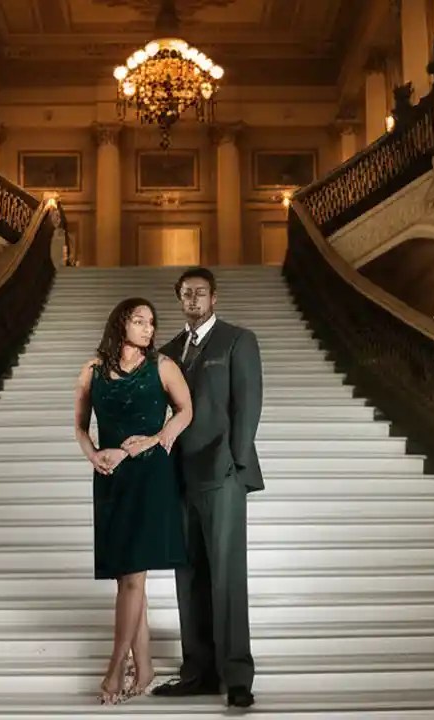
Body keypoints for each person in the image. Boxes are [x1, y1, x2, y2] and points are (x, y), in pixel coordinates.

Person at [148, 267, 264, 709]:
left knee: (228, 576)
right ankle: (198, 670)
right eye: (185, 293)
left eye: (200, 292)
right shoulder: (169, 351)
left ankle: (237, 677)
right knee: (189, 575)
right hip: (179, 477)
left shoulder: (237, 340)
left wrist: (233, 460)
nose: (192, 299)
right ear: (180, 300)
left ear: (214, 297)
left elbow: (248, 404)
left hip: (223, 474)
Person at [74, 297, 194, 705]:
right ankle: (144, 669)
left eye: (151, 322)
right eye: (138, 321)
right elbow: (79, 426)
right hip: (109, 476)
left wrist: (156, 440)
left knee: (132, 577)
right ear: (119, 323)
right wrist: (93, 456)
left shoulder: (163, 366)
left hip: (149, 476)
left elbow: (186, 411)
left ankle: (113, 670)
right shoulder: (92, 370)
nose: (148, 328)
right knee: (127, 576)